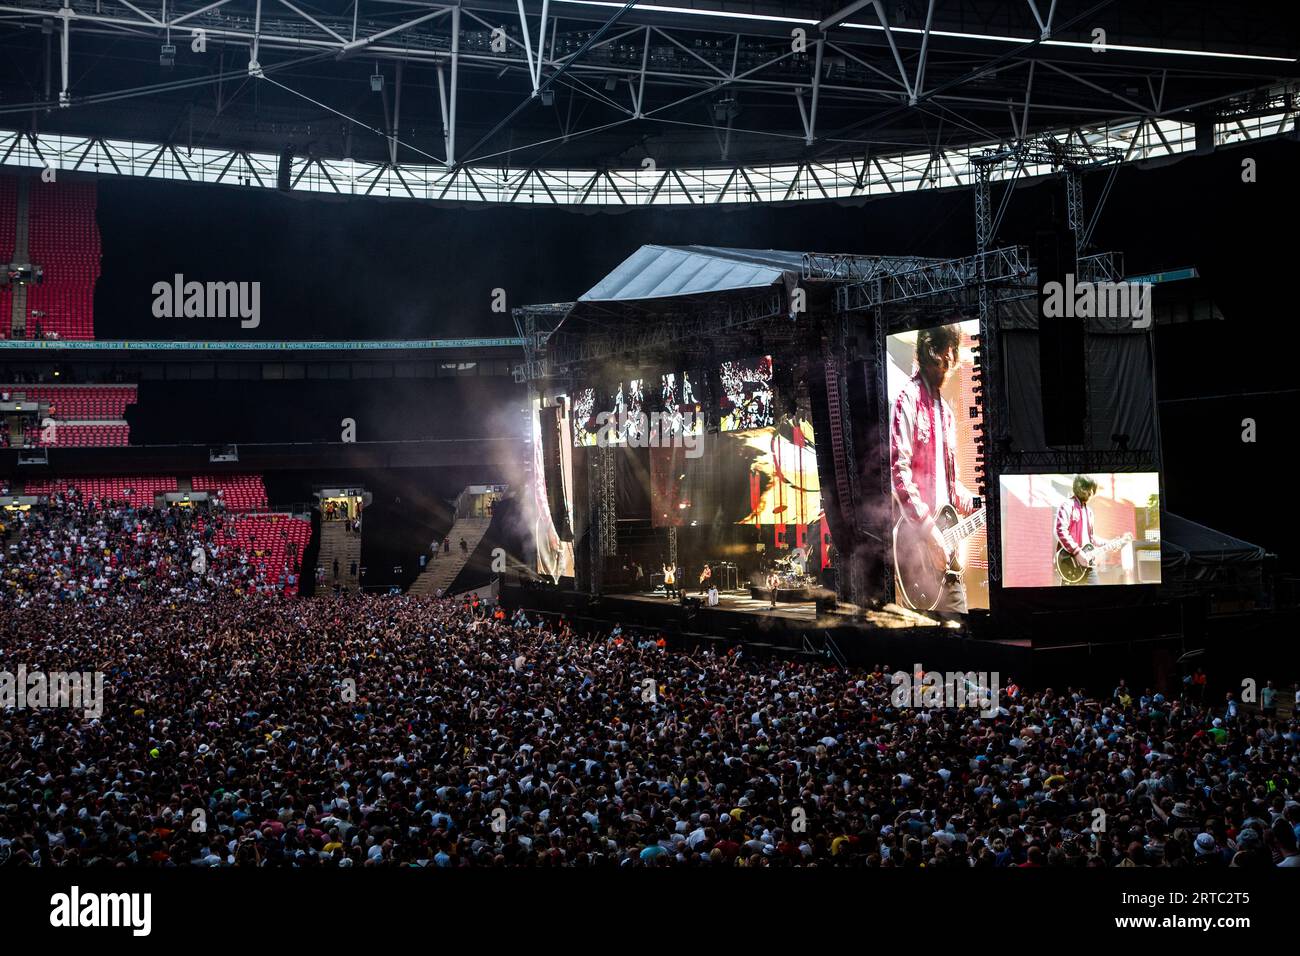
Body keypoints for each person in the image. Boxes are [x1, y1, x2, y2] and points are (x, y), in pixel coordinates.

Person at [890, 323, 977, 613]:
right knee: (925, 647)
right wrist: (929, 532)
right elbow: (898, 473)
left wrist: (978, 503)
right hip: (918, 551)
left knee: (961, 640)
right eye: (952, 350)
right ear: (934, 351)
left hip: (948, 555)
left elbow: (949, 488)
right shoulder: (907, 400)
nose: (955, 361)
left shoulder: (947, 414)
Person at [1055, 475, 1127, 585]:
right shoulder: (1067, 505)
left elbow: (1091, 539)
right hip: (1071, 564)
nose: (1090, 493)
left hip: (1089, 564)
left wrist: (1109, 543)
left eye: (1092, 490)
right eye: (1088, 489)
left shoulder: (1089, 512)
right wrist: (1077, 552)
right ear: (1079, 487)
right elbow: (1060, 531)